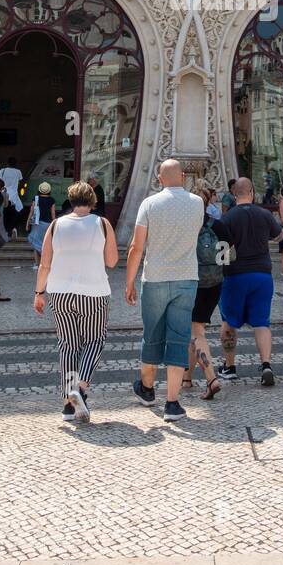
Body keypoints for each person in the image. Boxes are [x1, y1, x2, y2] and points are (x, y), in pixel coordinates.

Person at [125, 159, 205, 423]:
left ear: (159, 179)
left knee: (152, 335)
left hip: (156, 278)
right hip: (186, 278)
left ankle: (147, 390)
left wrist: (129, 282)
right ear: (183, 176)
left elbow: (137, 247)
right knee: (180, 338)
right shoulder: (197, 203)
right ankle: (172, 403)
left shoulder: (149, 204)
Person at [33, 181, 118, 423]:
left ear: (70, 201)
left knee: (68, 345)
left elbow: (45, 264)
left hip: (60, 292)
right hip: (94, 292)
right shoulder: (102, 224)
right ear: (93, 201)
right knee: (94, 341)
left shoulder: (56, 225)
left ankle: (68, 406)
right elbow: (112, 261)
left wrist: (39, 293)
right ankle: (79, 388)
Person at [215, 177, 281, 386]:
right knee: (262, 322)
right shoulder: (264, 214)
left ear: (235, 194)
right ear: (252, 192)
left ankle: (230, 366)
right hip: (262, 275)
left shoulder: (226, 219)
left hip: (235, 276)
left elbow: (221, 255)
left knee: (229, 323)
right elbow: (279, 237)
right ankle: (266, 365)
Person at [182, 185, 225, 401]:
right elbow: (226, 257)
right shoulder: (218, 225)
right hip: (215, 283)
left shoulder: (186, 225)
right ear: (209, 201)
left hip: (193, 281)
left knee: (197, 331)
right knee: (196, 327)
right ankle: (187, 378)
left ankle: (211, 378)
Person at [26, 181, 56, 270]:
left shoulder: (35, 199)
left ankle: (37, 263)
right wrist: (54, 225)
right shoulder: (52, 200)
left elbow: (31, 212)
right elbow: (53, 214)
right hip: (47, 224)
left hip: (37, 223)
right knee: (45, 243)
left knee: (35, 243)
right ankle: (45, 262)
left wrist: (27, 223)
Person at [0, 158, 24, 238]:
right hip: (14, 196)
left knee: (3, 213)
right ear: (15, 163)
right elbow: (21, 182)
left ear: (7, 163)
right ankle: (12, 228)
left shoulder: (2, 171)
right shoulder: (18, 172)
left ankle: (3, 230)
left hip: (3, 194)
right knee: (16, 213)